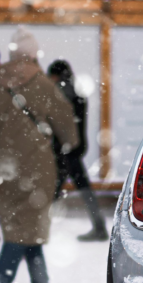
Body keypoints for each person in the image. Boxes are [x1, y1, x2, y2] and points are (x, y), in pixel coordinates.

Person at [0, 27, 78, 283]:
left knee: (23, 230)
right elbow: (68, 131)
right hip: (38, 171)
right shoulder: (43, 85)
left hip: (5, 170)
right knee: (26, 232)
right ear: (33, 54)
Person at [47, 60, 108, 241]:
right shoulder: (75, 89)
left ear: (56, 75)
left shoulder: (62, 91)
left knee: (58, 188)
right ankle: (98, 226)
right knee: (70, 187)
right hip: (74, 147)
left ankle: (38, 230)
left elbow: (58, 121)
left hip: (66, 148)